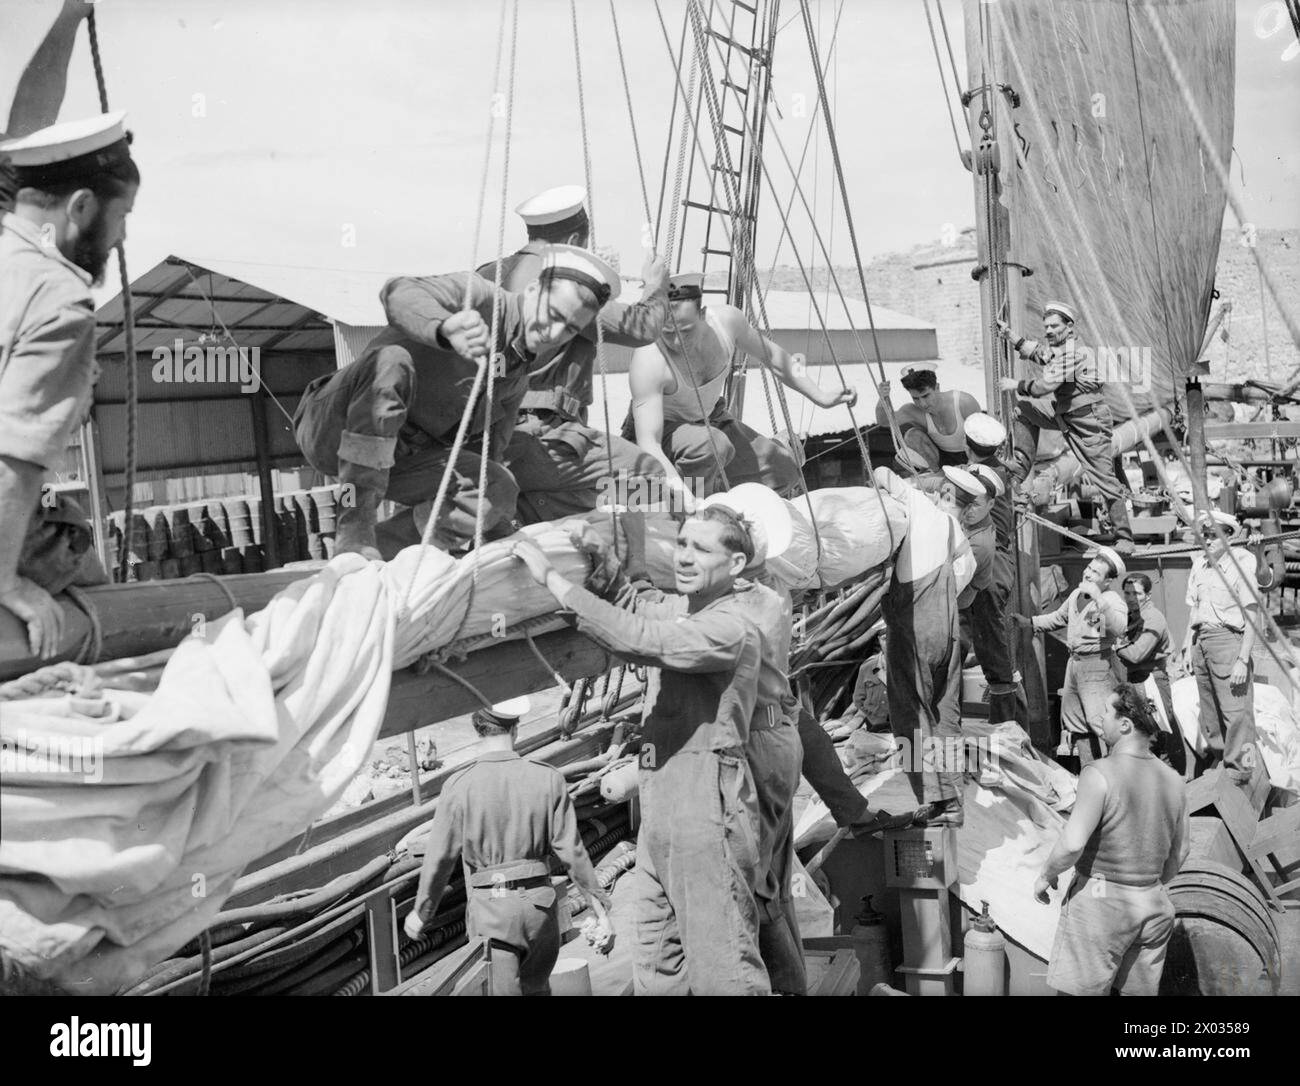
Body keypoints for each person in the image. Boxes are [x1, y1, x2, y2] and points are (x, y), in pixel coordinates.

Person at [510, 506, 769, 995]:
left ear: (735, 566)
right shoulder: (687, 610)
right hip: (662, 811)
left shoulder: (731, 628)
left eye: (703, 548)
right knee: (655, 956)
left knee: (723, 964)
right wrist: (602, 562)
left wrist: (556, 583)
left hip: (706, 812)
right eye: (684, 544)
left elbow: (641, 638)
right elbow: (636, 607)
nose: (686, 557)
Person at [293, 245, 621, 557]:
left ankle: (382, 554)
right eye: (553, 314)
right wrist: (445, 327)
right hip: (332, 425)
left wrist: (504, 535)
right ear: (533, 289)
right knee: (392, 361)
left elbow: (488, 458)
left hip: (396, 460)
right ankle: (356, 531)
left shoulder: (517, 380)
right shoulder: (478, 295)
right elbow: (397, 292)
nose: (553, 332)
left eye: (569, 329)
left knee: (498, 485)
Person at [0, 112, 139, 658]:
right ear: (80, 207)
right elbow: (16, 457)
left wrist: (64, 21)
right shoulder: (58, 299)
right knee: (94, 580)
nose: (123, 235)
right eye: (122, 215)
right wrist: (6, 582)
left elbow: (26, 120)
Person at [477, 186, 669, 522]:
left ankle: (526, 510)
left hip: (486, 432)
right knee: (649, 479)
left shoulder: (487, 272)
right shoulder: (564, 282)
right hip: (543, 433)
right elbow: (641, 328)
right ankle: (635, 570)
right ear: (577, 239)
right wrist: (655, 287)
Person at [404, 696, 614, 996]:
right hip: (540, 911)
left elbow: (440, 858)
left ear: (477, 728)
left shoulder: (459, 785)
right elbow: (573, 851)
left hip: (493, 913)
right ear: (516, 729)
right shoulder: (548, 778)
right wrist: (600, 909)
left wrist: (422, 912)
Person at [624, 272, 856, 505]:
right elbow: (649, 442)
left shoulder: (727, 322)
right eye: (668, 332)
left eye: (685, 330)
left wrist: (820, 396)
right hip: (666, 433)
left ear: (702, 314)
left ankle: (706, 492)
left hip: (710, 420)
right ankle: (683, 506)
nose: (676, 341)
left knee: (783, 473)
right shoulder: (649, 359)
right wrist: (684, 498)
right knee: (711, 445)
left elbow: (774, 356)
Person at [1035, 683, 1188, 997]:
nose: (1100, 718)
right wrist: (1145, 883)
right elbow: (1181, 851)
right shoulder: (1174, 780)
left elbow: (1073, 843)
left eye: (1106, 711)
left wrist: (1045, 875)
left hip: (1102, 903)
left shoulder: (1099, 773)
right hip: (1153, 906)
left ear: (1125, 723)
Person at [872, 463, 980, 827]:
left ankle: (931, 799)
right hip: (948, 636)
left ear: (945, 493)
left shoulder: (920, 505)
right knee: (945, 719)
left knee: (909, 718)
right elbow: (966, 570)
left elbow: (880, 472)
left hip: (915, 633)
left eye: (942, 490)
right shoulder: (955, 530)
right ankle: (952, 803)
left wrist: (921, 485)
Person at [996, 301, 1134, 553]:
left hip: (1089, 422)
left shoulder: (1074, 353)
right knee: (1024, 410)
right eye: (1046, 326)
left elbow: (1045, 386)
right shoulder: (1059, 349)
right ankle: (1020, 466)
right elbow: (1039, 352)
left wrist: (1015, 384)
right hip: (1064, 414)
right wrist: (1011, 336)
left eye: (1054, 326)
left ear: (1069, 327)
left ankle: (1125, 538)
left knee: (1104, 479)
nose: (1048, 330)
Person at [1016, 547, 1128, 765]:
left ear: (1107, 582)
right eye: (1089, 567)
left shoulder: (1111, 599)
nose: (1087, 573)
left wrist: (1099, 601)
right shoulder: (1077, 594)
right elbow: (1059, 618)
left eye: (1096, 573)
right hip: (1074, 665)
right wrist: (1030, 623)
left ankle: (1123, 775)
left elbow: (1120, 628)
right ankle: (1090, 773)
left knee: (1103, 724)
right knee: (1076, 723)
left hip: (1096, 666)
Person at [1180, 510, 1263, 785]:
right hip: (1202, 643)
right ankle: (1221, 760)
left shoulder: (1243, 562)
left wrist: (1243, 658)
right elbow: (1195, 611)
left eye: (1213, 535)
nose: (1207, 540)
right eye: (1204, 535)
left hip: (1229, 642)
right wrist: (1187, 646)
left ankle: (1243, 772)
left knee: (1238, 714)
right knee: (1210, 713)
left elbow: (1252, 614)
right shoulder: (1199, 565)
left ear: (1229, 536)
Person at [963, 413, 1029, 727]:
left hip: (989, 565)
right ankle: (1010, 725)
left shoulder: (977, 478)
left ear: (967, 446)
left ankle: (1009, 727)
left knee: (994, 648)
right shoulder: (1000, 471)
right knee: (993, 644)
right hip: (998, 564)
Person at [1116, 573, 1185, 776]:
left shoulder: (1153, 618)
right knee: (1143, 737)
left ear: (1148, 594)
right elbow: (1102, 630)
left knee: (1155, 736)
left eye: (1136, 593)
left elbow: (1136, 654)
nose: (1130, 598)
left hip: (1151, 682)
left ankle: (1170, 787)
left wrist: (1116, 647)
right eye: (1127, 593)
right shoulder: (1130, 616)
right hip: (1136, 682)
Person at [875, 363, 982, 471]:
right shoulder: (912, 411)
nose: (922, 404)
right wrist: (882, 398)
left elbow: (983, 438)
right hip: (942, 461)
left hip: (975, 457)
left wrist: (970, 466)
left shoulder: (964, 402)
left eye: (926, 396)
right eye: (916, 398)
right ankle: (936, 474)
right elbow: (884, 422)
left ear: (937, 387)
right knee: (912, 435)